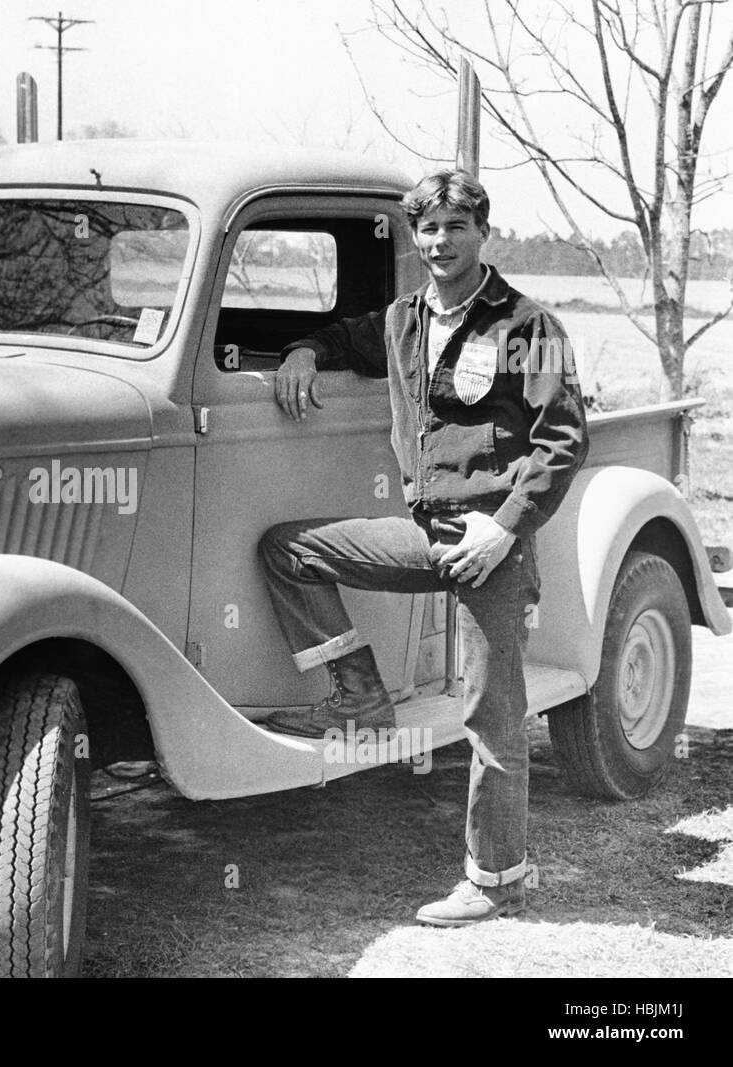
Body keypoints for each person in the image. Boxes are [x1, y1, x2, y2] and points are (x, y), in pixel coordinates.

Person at [258, 169, 589, 926]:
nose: (441, 242)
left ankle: (497, 877)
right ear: (414, 236)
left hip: (492, 543)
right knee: (291, 551)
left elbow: (563, 439)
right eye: (428, 229)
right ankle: (362, 697)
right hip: (424, 534)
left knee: (492, 714)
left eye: (456, 227)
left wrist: (503, 527)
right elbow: (346, 335)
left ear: (483, 233)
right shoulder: (405, 318)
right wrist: (306, 348)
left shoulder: (525, 326)